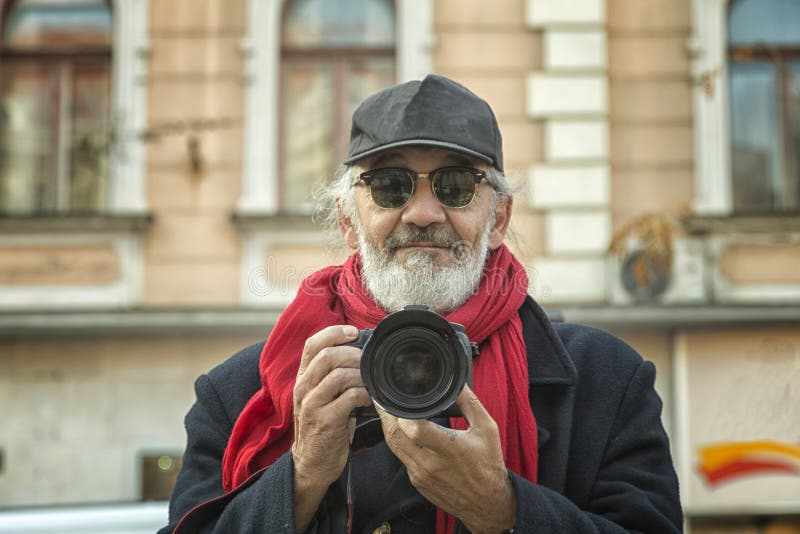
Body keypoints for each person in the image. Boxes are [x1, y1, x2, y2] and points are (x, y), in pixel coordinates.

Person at [160, 74, 682, 533]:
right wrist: (301, 477)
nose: (424, 213)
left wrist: (505, 510)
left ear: (498, 219)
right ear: (348, 221)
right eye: (391, 186)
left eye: (456, 185)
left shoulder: (605, 382)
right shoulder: (238, 392)